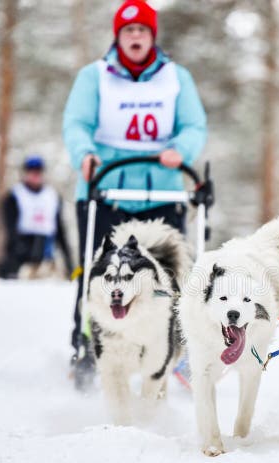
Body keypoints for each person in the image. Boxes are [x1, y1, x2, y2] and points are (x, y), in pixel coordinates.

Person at [62, 0, 208, 384]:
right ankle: (87, 345)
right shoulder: (94, 77)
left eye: (142, 29)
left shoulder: (176, 77)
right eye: (128, 30)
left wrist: (182, 151)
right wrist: (84, 154)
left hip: (162, 194)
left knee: (171, 276)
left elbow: (194, 125)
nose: (136, 36)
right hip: (105, 193)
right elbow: (76, 123)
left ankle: (175, 351)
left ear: (152, 36)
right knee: (97, 273)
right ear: (118, 36)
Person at [0, 156, 73, 280]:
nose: (35, 175)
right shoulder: (14, 196)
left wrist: (69, 263)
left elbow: (60, 231)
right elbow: (10, 230)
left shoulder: (52, 196)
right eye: (31, 172)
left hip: (45, 255)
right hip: (20, 255)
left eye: (38, 172)